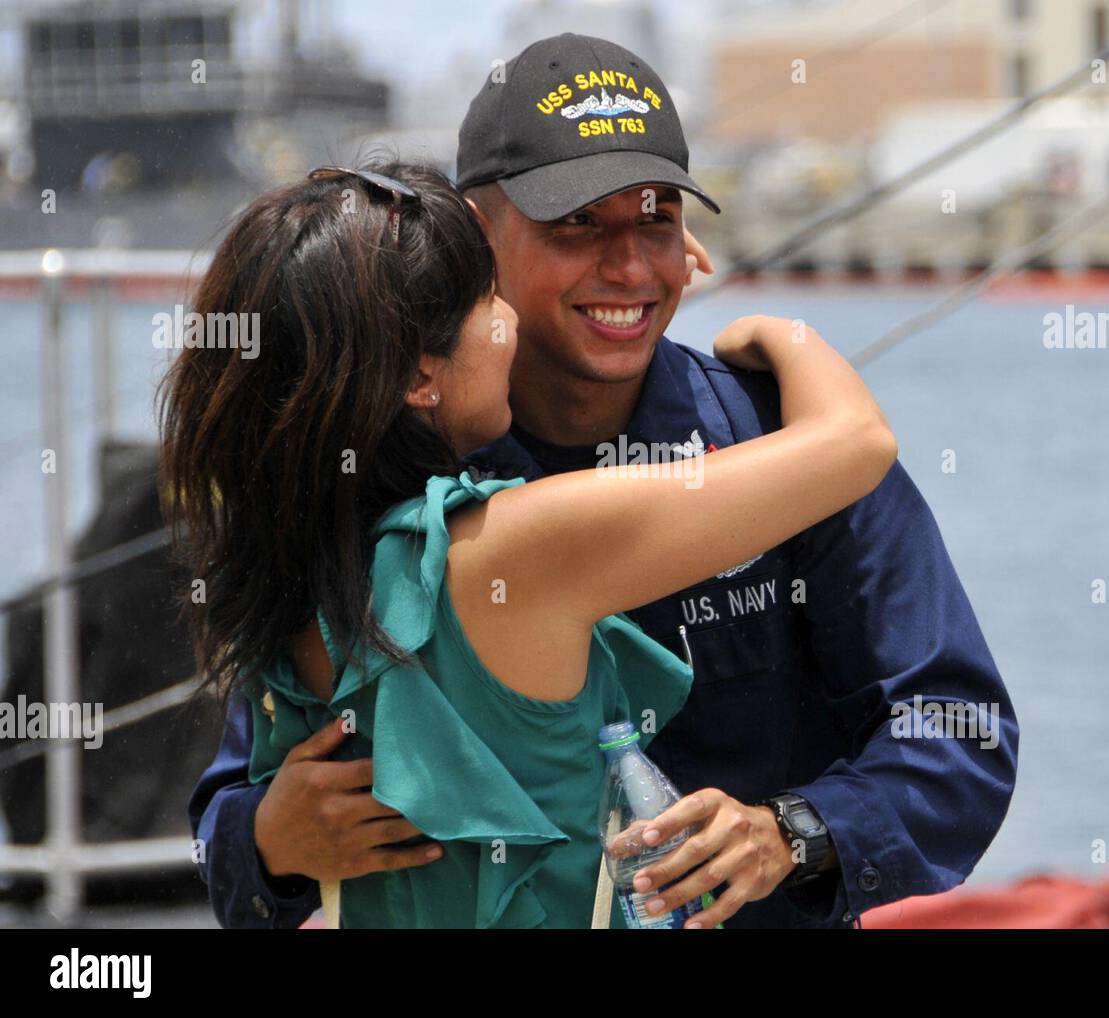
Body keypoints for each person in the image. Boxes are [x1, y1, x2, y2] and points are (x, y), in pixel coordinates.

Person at [189, 33, 1018, 930]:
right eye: (576, 224)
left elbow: (956, 729)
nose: (628, 267)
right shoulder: (386, 477)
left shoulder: (770, 432)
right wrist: (268, 843)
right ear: (478, 237)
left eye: (655, 218)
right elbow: (241, 795)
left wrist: (795, 834)